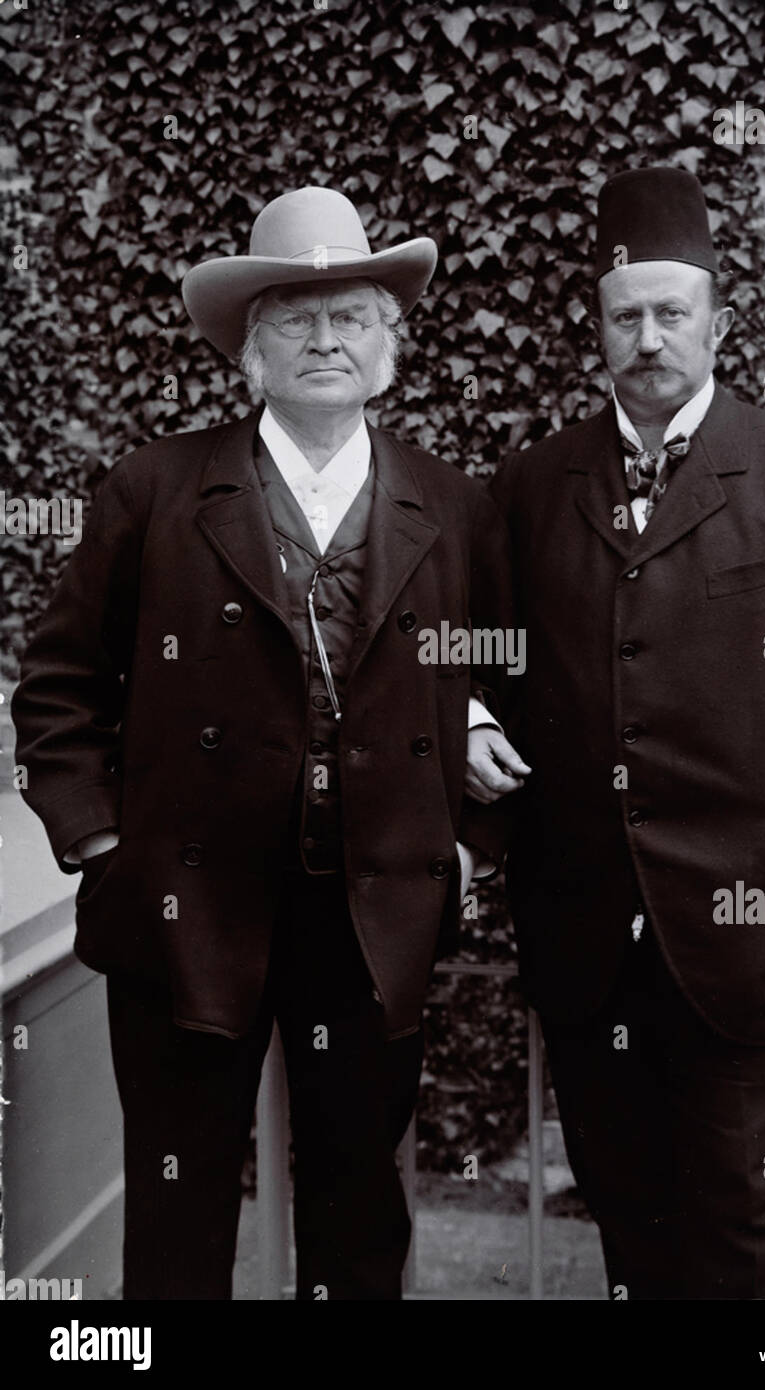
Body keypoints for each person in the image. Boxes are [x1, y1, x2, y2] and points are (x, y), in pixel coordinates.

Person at [12, 186, 508, 1300]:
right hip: (188, 911)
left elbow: (505, 679)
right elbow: (57, 690)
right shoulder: (154, 489)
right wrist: (106, 850)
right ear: (249, 352)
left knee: (356, 1207)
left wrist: (472, 835)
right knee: (179, 1208)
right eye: (295, 319)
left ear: (390, 348)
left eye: (351, 319)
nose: (325, 341)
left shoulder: (455, 505)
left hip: (369, 914)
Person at [463, 167, 765, 1299]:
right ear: (597, 329)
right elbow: (472, 644)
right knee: (629, 1232)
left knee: (746, 1238)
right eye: (624, 314)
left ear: (716, 322)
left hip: (748, 932)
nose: (647, 336)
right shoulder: (531, 486)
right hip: (588, 942)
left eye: (670, 311)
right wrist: (470, 712)